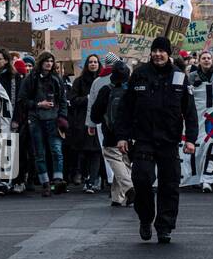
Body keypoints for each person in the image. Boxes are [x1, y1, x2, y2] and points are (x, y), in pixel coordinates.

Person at [116, 36, 198, 244]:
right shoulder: (140, 75)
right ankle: (145, 218)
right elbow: (125, 108)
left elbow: (190, 110)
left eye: (162, 51)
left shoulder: (179, 77)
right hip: (143, 139)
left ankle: (164, 226)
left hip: (169, 140)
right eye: (155, 51)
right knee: (142, 179)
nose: (158, 54)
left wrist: (191, 139)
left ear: (168, 53)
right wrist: (122, 136)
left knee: (169, 186)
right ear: (151, 53)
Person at [20, 50, 68, 196]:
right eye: (46, 60)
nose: (49, 63)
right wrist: (38, 104)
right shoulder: (30, 79)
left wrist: (63, 117)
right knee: (39, 153)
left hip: (53, 120)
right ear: (41, 62)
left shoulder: (56, 79)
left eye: (51, 61)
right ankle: (45, 183)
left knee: (56, 151)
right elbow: (22, 100)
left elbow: (62, 101)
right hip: (36, 119)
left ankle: (58, 180)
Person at [90, 60, 134, 207]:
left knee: (115, 160)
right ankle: (118, 197)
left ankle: (128, 189)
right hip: (128, 134)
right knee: (124, 162)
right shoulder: (131, 91)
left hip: (110, 134)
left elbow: (95, 115)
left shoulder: (105, 90)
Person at [0, 48, 26, 194]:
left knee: (15, 150)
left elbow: (18, 99)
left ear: (5, 61)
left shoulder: (14, 78)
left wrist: (16, 119)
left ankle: (18, 180)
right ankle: (1, 181)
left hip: (10, 118)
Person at [68, 54, 104, 193]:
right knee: (84, 152)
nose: (93, 64)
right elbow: (73, 99)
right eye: (90, 62)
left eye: (95, 62)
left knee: (96, 151)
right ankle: (87, 176)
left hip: (99, 121)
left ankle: (92, 180)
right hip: (83, 121)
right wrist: (87, 98)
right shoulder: (79, 81)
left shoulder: (102, 80)